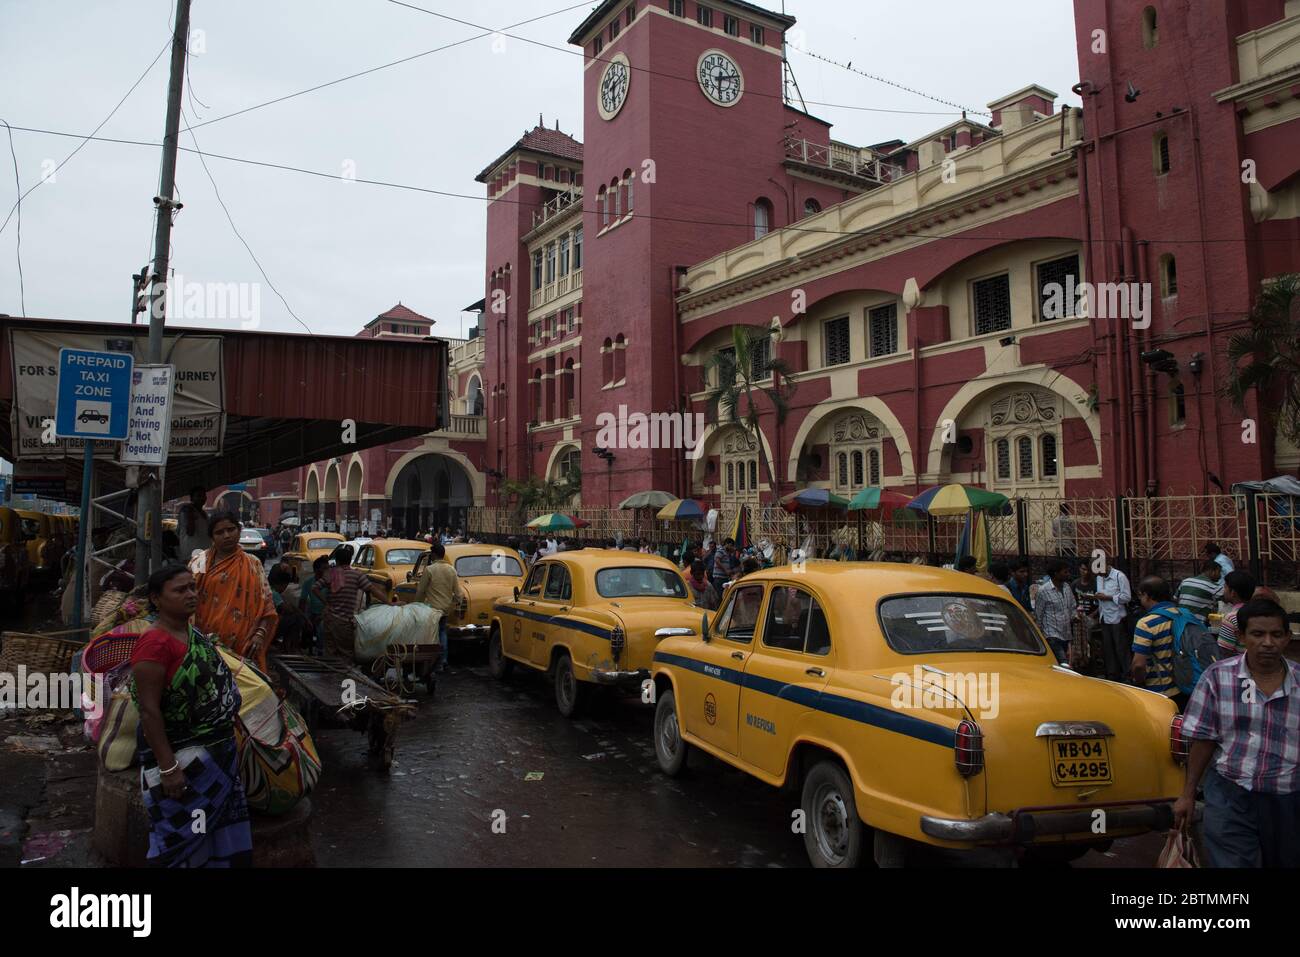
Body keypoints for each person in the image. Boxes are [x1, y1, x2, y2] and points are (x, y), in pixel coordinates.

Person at [130, 563, 251, 867]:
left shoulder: (189, 632)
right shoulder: (155, 644)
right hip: (186, 764)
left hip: (216, 758)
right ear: (157, 599)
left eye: (192, 588)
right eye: (180, 590)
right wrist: (169, 768)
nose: (190, 595)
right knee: (182, 842)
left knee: (218, 839)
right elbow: (149, 710)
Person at [1174, 598, 1300, 867]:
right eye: (1258, 634)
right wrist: (1187, 793)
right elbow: (1203, 740)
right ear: (1242, 636)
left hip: (1288, 798)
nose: (1267, 642)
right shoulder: (1217, 678)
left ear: (1287, 638)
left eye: (1276, 634)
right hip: (1230, 795)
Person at [189, 511, 279, 672]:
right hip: (203, 643)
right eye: (219, 532)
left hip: (243, 645)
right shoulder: (200, 560)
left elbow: (266, 604)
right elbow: (186, 598)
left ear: (238, 530)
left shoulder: (253, 563)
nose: (227, 535)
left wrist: (260, 634)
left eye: (231, 529)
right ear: (212, 537)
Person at [312, 545, 390, 662]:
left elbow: (314, 588)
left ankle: (330, 677)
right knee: (346, 654)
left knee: (330, 652)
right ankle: (344, 678)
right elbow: (372, 589)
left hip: (329, 619)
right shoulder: (357, 575)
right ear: (350, 560)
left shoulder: (331, 574)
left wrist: (326, 602)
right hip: (344, 621)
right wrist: (389, 603)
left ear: (337, 561)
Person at [1130, 576, 1185, 710]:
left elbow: (1138, 665)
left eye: (1141, 596)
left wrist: (1138, 681)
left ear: (1148, 596)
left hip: (1159, 691)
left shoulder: (1147, 623)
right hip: (1184, 686)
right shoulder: (1182, 614)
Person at [413, 542, 460, 672]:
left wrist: (416, 604)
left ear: (434, 555)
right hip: (445, 608)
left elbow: (421, 590)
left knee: (432, 634)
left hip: (432, 609)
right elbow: (458, 593)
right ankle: (444, 660)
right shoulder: (451, 570)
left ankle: (432, 661)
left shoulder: (430, 570)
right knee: (442, 632)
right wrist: (454, 603)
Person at [1093, 556, 1133, 683]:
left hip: (1117, 618)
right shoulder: (1099, 578)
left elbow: (1127, 597)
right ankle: (1112, 675)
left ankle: (1128, 675)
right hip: (1104, 617)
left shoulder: (1119, 576)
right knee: (1108, 648)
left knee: (1121, 648)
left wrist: (1109, 597)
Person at [1033, 559, 1077, 665]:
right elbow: (1039, 614)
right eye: (1065, 572)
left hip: (1066, 633)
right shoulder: (1043, 591)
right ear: (1056, 573)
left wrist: (1075, 616)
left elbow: (1072, 606)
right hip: (1051, 634)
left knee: (1061, 664)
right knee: (1063, 663)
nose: (1067, 574)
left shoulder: (1067, 588)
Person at [1216, 569, 1257, 658]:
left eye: (1225, 587)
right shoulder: (1258, 612)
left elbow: (1224, 652)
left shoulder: (1232, 618)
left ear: (1233, 593)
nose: (1224, 591)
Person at [1176, 560, 1224, 625]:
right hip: (1197, 625)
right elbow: (1230, 597)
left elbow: (1175, 599)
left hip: (1179, 622)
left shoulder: (1185, 581)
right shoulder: (1213, 586)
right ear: (1212, 571)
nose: (1220, 576)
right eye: (1219, 572)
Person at [299, 556, 330, 654]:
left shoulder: (331, 583)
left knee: (321, 627)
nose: (328, 570)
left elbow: (331, 603)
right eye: (325, 568)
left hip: (327, 614)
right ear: (316, 570)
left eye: (328, 568)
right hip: (312, 613)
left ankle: (320, 650)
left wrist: (322, 616)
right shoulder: (308, 583)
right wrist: (305, 619)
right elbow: (302, 602)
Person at [176, 485, 211, 566]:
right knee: (196, 577)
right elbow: (190, 531)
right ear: (192, 498)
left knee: (202, 577)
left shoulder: (203, 513)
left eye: (203, 496)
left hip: (204, 552)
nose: (202, 498)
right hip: (193, 553)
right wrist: (190, 515)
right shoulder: (187, 510)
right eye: (198, 496)